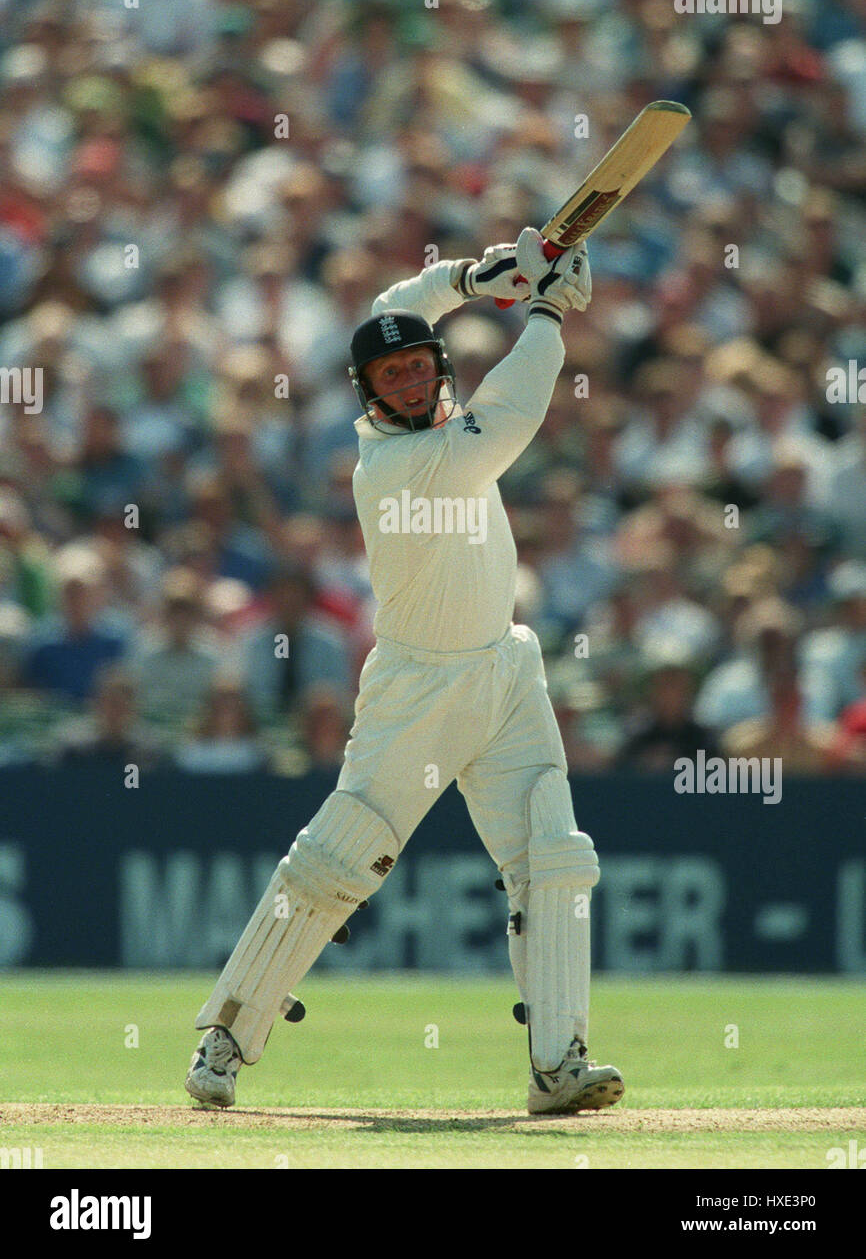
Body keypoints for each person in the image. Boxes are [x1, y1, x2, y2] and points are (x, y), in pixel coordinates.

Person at [185, 230, 624, 1116]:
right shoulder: (399, 468)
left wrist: (469, 278)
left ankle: (557, 1064)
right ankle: (226, 1034)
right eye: (394, 378)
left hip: (504, 670)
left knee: (555, 858)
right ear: (369, 396)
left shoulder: (414, 384)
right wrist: (543, 310)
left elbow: (394, 312)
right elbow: (512, 416)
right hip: (418, 689)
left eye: (421, 366)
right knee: (334, 863)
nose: (413, 380)